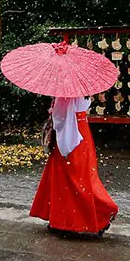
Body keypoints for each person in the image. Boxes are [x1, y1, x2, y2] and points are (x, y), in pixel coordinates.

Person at [30, 96, 118, 237]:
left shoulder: (66, 93)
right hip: (81, 131)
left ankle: (93, 215)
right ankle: (71, 220)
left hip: (71, 135)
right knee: (82, 178)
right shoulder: (82, 91)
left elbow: (60, 118)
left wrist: (53, 116)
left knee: (70, 180)